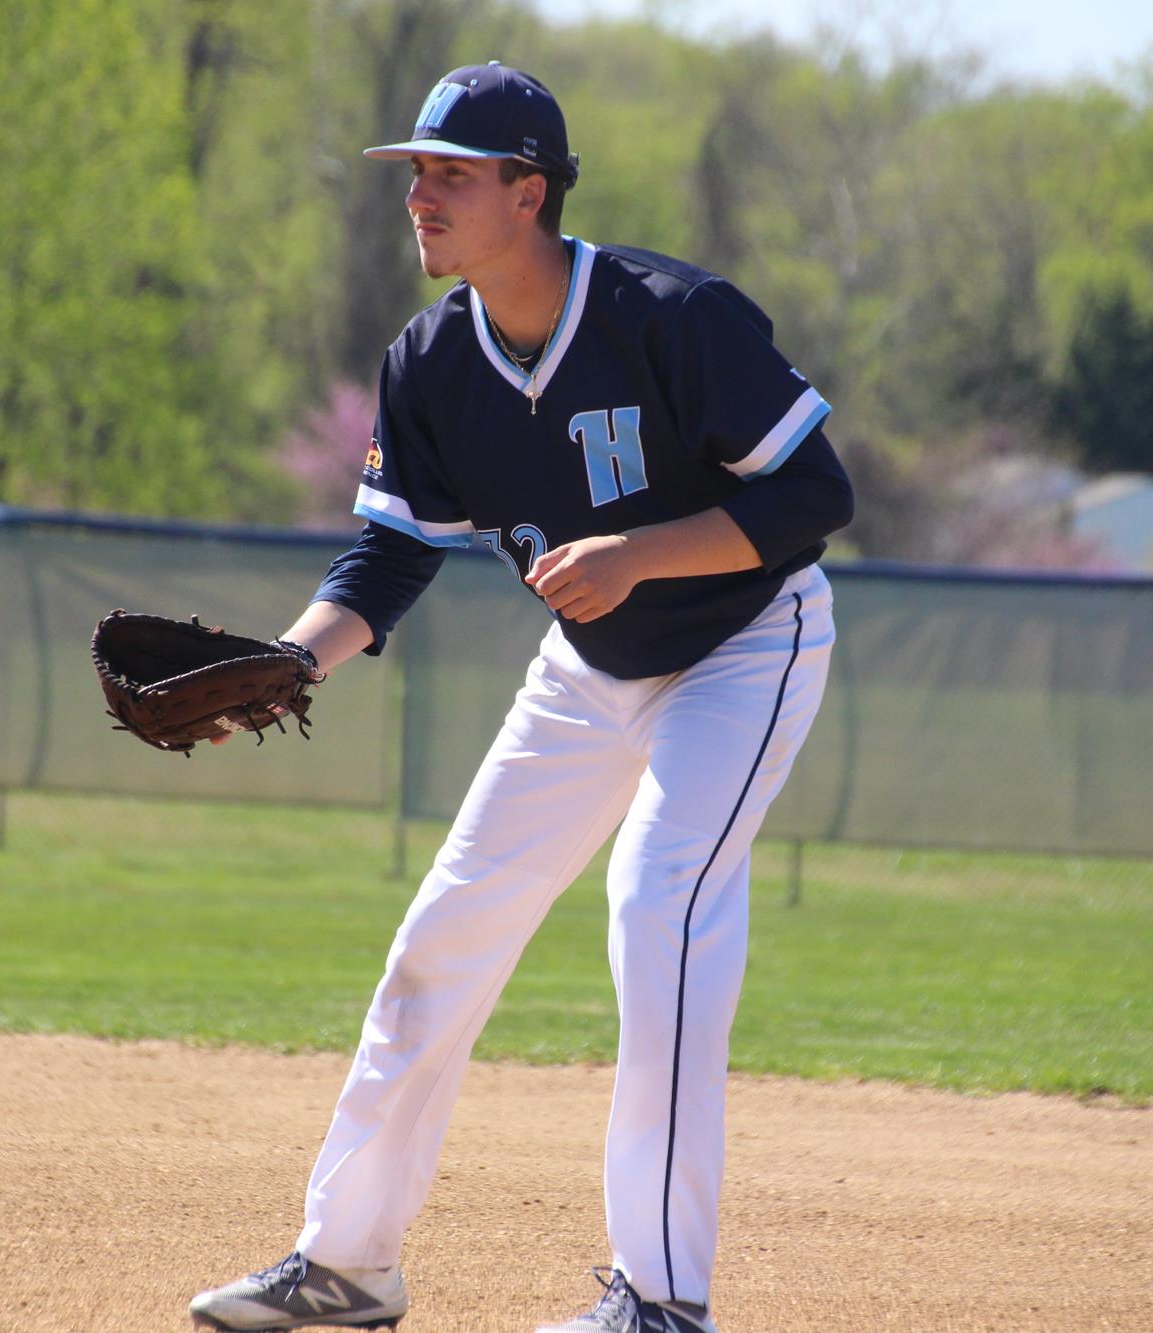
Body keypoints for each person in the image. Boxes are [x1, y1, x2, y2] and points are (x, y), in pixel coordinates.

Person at [191, 62, 852, 1333]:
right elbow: (389, 554)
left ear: (528, 191)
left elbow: (813, 494)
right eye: (413, 175)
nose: (419, 198)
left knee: (657, 906)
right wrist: (287, 665)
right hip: (587, 669)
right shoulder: (431, 360)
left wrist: (639, 552)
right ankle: (349, 1264)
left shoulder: (671, 313)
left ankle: (660, 1303)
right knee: (443, 935)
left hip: (742, 645)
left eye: (449, 174)